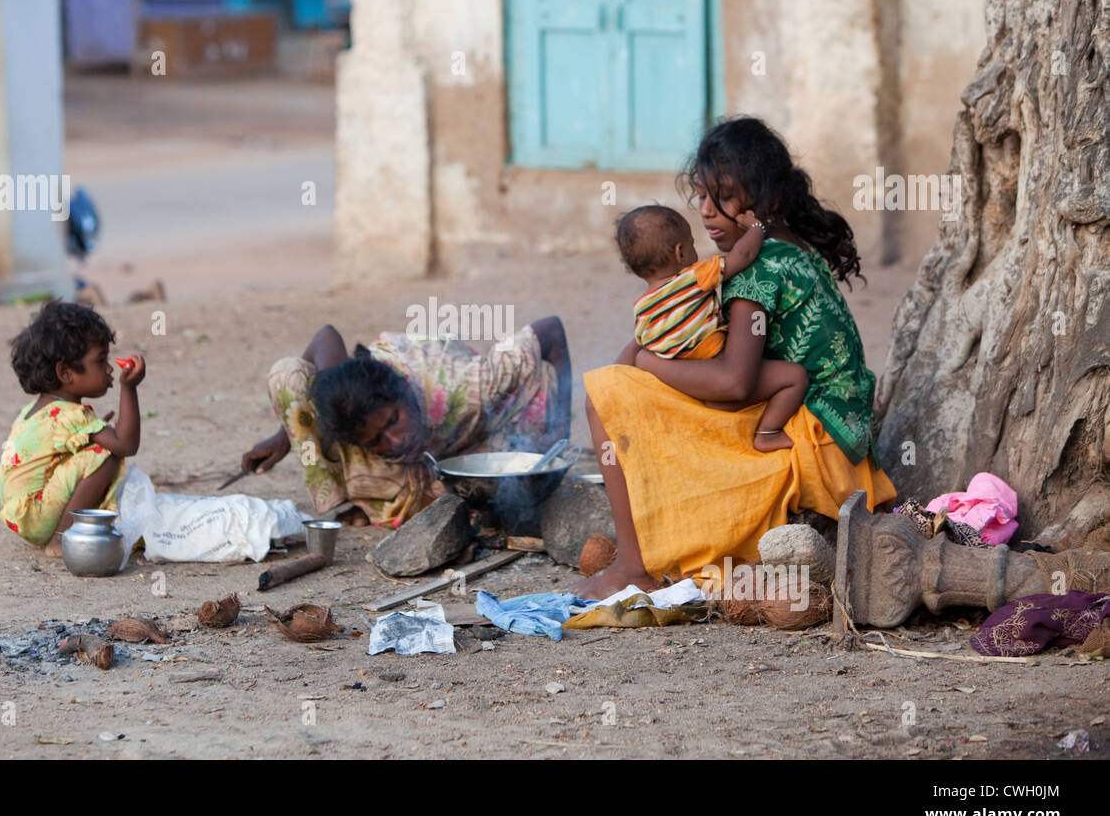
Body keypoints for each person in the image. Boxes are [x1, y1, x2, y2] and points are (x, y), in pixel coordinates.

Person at [576, 117, 897, 599]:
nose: (706, 212)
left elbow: (733, 384)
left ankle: (634, 564)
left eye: (721, 196)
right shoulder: (789, 248)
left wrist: (645, 365)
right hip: (838, 436)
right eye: (701, 197)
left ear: (762, 201)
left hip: (813, 449)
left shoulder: (755, 275)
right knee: (622, 384)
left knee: (604, 398)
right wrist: (640, 356)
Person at [241, 317, 571, 528]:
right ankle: (349, 501)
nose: (396, 441)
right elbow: (326, 334)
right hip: (403, 444)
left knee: (512, 477)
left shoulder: (473, 384)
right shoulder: (343, 392)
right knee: (287, 373)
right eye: (376, 441)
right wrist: (284, 437)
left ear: (401, 390)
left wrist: (561, 431)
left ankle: (403, 497)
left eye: (394, 420)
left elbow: (551, 330)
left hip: (470, 428)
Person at [616, 203, 808, 453]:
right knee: (795, 377)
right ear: (681, 252)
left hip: (686, 390)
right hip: (717, 372)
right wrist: (757, 228)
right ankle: (768, 433)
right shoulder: (694, 277)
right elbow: (744, 256)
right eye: (693, 244)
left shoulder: (641, 310)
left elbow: (641, 350)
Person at [0, 301, 145, 557]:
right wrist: (129, 388)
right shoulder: (72, 415)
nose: (110, 368)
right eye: (100, 360)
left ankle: (58, 530)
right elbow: (126, 444)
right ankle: (61, 537)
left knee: (96, 447)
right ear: (65, 373)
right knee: (106, 455)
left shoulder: (37, 410)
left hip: (20, 514)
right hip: (38, 516)